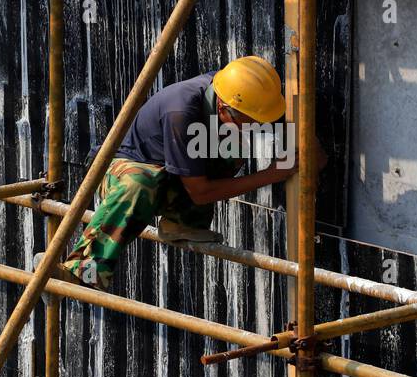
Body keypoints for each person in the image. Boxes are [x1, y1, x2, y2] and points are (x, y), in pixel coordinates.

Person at [59, 56, 324, 290]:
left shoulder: (248, 99)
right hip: (126, 168)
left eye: (261, 120)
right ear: (223, 106)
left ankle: (181, 222)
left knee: (230, 143)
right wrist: (271, 174)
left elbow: (312, 152)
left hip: (174, 172)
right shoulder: (181, 111)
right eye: (249, 120)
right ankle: (84, 268)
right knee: (140, 182)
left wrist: (308, 151)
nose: (256, 126)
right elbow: (201, 192)